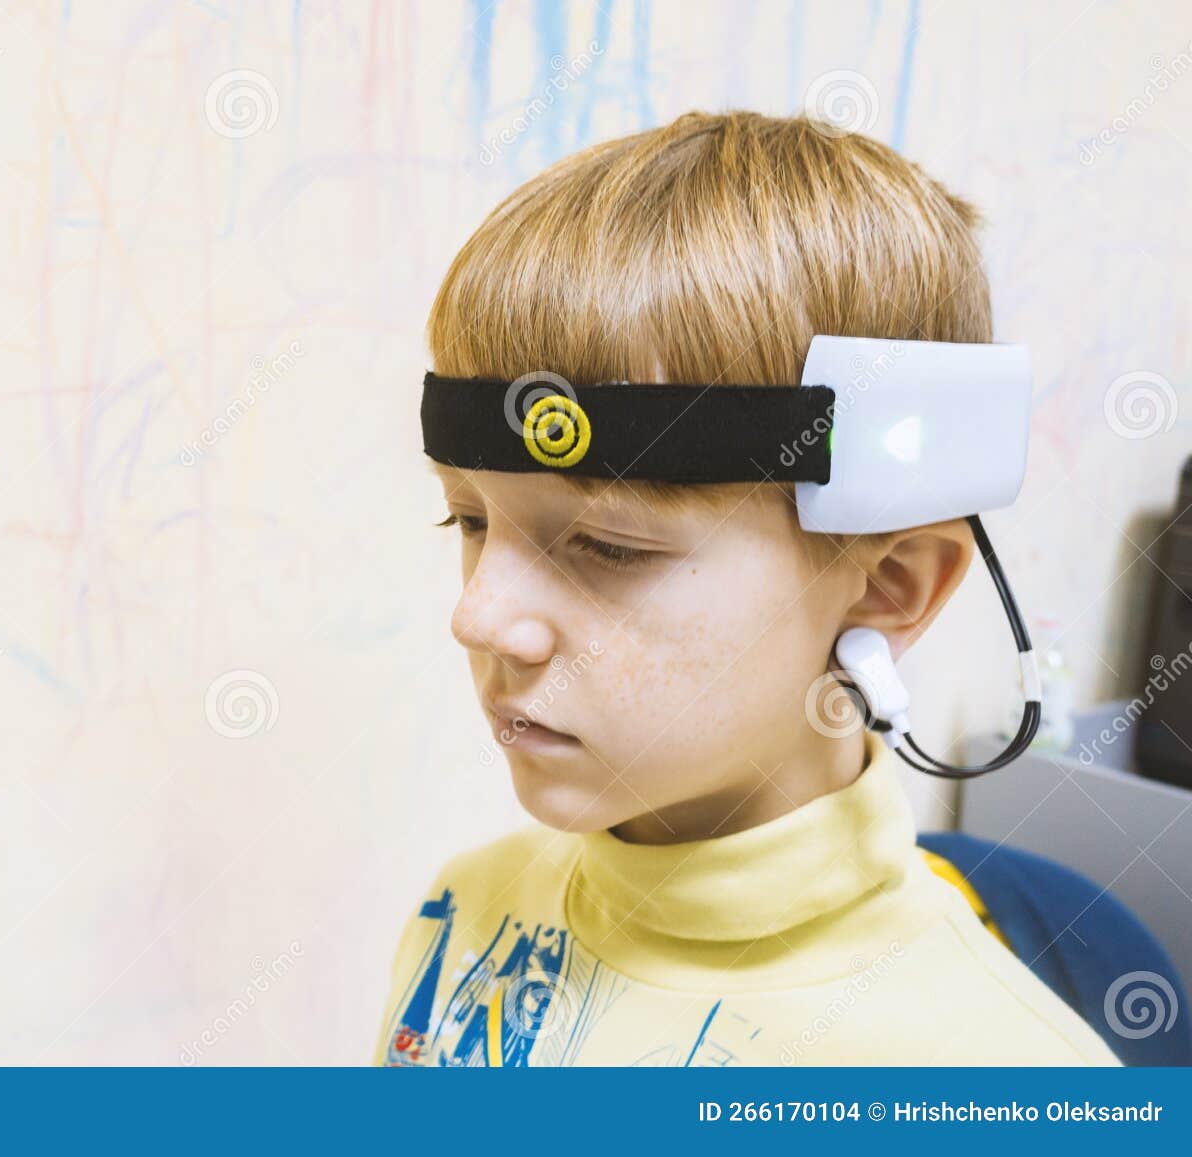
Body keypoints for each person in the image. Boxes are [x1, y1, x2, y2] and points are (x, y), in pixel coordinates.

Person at [374, 111, 1119, 1067]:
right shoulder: (463, 915)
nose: (478, 617)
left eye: (606, 545)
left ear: (887, 586)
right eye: (470, 521)